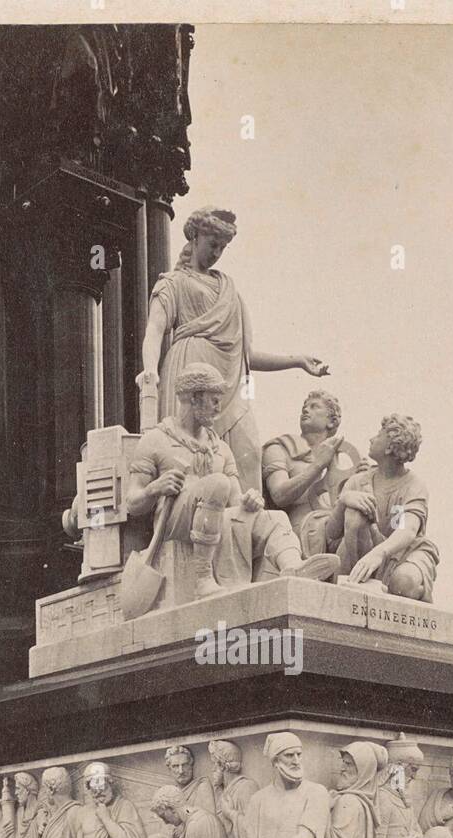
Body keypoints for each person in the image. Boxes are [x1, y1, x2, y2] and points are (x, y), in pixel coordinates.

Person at [137, 205, 330, 491]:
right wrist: (150, 371)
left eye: (223, 247)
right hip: (190, 373)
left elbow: (247, 355)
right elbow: (153, 329)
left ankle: (247, 526)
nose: (217, 253)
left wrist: (297, 361)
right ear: (194, 237)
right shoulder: (173, 282)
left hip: (230, 382)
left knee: (249, 451)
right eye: (213, 244)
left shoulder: (230, 290)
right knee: (190, 458)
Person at [127, 363, 339, 601]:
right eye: (214, 400)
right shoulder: (156, 439)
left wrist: (249, 502)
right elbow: (132, 503)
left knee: (274, 518)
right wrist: (155, 488)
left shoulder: (221, 448)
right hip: (175, 522)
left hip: (216, 518)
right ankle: (203, 578)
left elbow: (235, 500)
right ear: (194, 398)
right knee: (217, 483)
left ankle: (293, 568)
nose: (219, 408)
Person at [326, 414, 440, 600]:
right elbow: (331, 533)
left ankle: (415, 593)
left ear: (390, 447)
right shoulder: (357, 481)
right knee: (355, 513)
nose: (372, 439)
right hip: (362, 554)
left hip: (403, 553)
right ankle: (358, 581)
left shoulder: (413, 485)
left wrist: (379, 554)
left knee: (404, 582)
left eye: (379, 435)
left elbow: (407, 529)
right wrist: (344, 500)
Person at [262, 390, 361, 556]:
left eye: (314, 407)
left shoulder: (340, 461)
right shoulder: (280, 448)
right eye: (304, 407)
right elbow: (279, 495)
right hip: (296, 532)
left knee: (361, 524)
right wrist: (318, 465)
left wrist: (361, 480)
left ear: (332, 421)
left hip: (334, 527)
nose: (306, 410)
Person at [208, 739, 258, 838]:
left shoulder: (246, 787)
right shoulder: (222, 791)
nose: (212, 769)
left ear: (223, 766)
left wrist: (230, 813)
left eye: (214, 764)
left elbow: (253, 829)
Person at [164, 745, 216, 815]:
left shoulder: (202, 786)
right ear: (169, 769)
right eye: (175, 766)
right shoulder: (169, 794)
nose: (181, 771)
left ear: (191, 764)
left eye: (185, 765)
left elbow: (210, 818)